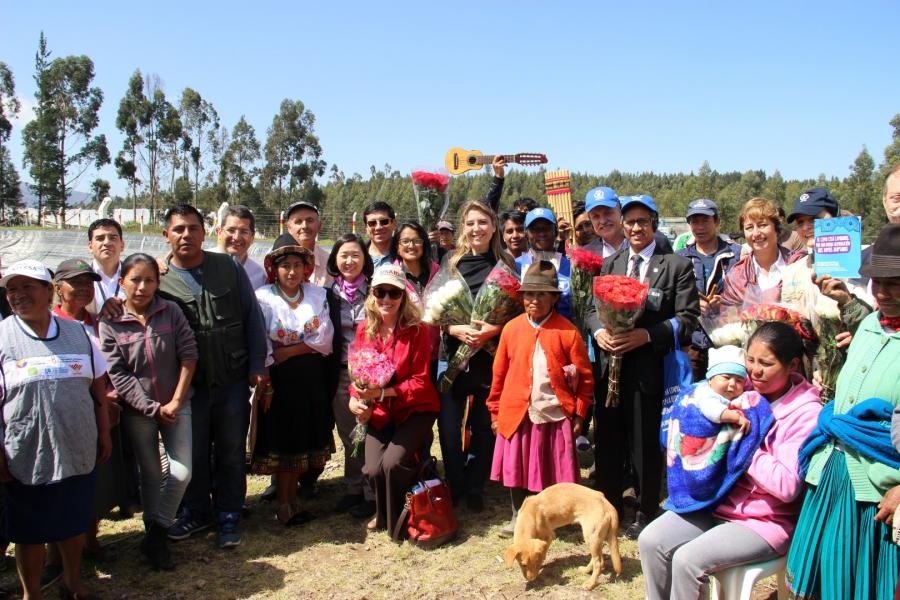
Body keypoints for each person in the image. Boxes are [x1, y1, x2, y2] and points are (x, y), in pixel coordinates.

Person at [639, 322, 823, 599]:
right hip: (718, 502)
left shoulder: (805, 414)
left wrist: (743, 448)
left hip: (764, 520)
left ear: (793, 364)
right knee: (651, 541)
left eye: (766, 363)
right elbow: (701, 402)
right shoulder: (742, 390)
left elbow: (787, 487)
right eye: (750, 360)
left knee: (687, 560)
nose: (754, 371)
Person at [786, 223, 900, 599]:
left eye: (894, 282)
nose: (883, 291)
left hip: (877, 487)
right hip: (832, 474)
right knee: (818, 579)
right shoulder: (869, 324)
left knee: (859, 583)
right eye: (878, 281)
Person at [587, 194, 700, 538]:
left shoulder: (675, 265)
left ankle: (646, 511)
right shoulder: (612, 263)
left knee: (644, 445)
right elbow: (592, 310)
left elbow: (688, 319)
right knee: (608, 442)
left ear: (654, 224)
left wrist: (646, 336)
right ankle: (609, 510)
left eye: (643, 221)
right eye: (631, 221)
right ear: (623, 224)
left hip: (649, 369)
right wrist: (599, 332)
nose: (636, 227)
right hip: (610, 369)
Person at [0, 260, 112, 600]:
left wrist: (104, 432)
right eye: (11, 289)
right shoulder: (3, 337)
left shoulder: (78, 334)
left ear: (48, 291)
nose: (18, 295)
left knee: (72, 521)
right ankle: (31, 593)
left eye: (27, 287)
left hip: (77, 445)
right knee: (29, 531)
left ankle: (72, 582)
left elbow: (98, 389)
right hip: (24, 451)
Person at [158, 204, 268, 549]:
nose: (186, 235)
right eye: (178, 229)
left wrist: (257, 366)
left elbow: (252, 318)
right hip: (187, 387)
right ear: (166, 236)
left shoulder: (228, 267)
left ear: (206, 233)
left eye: (193, 228)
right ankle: (196, 511)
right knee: (192, 453)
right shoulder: (159, 278)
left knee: (232, 449)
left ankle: (230, 514)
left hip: (232, 379)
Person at [99, 253, 197, 571]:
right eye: (135, 280)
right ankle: (156, 545)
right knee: (151, 476)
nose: (142, 287)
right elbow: (119, 375)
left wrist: (176, 401)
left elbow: (189, 354)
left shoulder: (170, 311)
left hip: (177, 405)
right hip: (138, 412)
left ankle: (156, 534)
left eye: (149, 280)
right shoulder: (110, 322)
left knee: (181, 473)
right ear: (122, 281)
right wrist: (151, 408)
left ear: (158, 282)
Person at [486, 261, 594, 537]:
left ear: (555, 298)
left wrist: (579, 415)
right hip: (517, 412)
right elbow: (498, 375)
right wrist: (495, 412)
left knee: (552, 467)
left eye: (541, 294)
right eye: (528, 294)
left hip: (553, 412)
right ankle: (518, 517)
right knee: (517, 468)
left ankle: (559, 518)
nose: (533, 300)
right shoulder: (511, 329)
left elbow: (585, 378)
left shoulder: (568, 332)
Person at [349, 264, 439, 536]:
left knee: (392, 464)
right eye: (380, 292)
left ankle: (399, 517)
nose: (386, 299)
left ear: (403, 297)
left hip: (415, 409)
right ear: (372, 295)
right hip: (379, 412)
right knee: (373, 469)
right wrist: (355, 400)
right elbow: (357, 374)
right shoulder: (364, 329)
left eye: (394, 293)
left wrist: (384, 393)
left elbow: (422, 382)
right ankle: (389, 511)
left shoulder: (418, 331)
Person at [438, 200, 517, 511]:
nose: (476, 229)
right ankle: (454, 483)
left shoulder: (506, 263)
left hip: (490, 357)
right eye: (470, 223)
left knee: (485, 427)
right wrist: (455, 330)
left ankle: (475, 485)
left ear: (494, 226)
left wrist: (492, 332)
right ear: (463, 228)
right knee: (448, 426)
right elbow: (435, 309)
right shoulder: (450, 262)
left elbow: (516, 312)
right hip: (453, 357)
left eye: (483, 222)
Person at [51, 259, 129, 564]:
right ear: (58, 289)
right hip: (63, 414)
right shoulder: (48, 323)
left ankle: (90, 541)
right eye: (75, 283)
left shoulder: (97, 322)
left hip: (101, 411)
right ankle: (54, 556)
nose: (83, 289)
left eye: (88, 283)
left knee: (97, 481)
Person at [253, 238, 335, 527]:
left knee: (303, 439)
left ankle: (293, 500)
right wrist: (268, 381)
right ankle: (284, 505)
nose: (291, 271)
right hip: (279, 382)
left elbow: (324, 340)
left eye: (297, 265)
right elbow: (261, 343)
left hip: (311, 378)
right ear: (274, 268)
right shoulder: (263, 297)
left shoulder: (316, 294)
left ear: (306, 268)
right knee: (285, 441)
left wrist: (287, 349)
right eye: (285, 265)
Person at [327, 234, 377, 519]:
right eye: (344, 255)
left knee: (368, 431)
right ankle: (352, 489)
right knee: (348, 433)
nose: (349, 260)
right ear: (335, 259)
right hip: (341, 373)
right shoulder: (327, 294)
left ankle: (371, 493)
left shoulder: (376, 292)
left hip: (371, 376)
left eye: (355, 255)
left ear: (364, 259)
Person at [677, 199, 742, 381]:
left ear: (717, 222)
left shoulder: (737, 255)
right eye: (695, 221)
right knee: (692, 398)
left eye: (705, 220)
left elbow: (749, 293)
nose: (700, 226)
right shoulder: (680, 258)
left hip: (728, 341)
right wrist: (692, 304)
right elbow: (672, 297)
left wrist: (727, 303)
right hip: (692, 343)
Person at [720, 197, 805, 307]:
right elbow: (728, 316)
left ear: (777, 228)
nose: (756, 233)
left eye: (762, 225)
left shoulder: (799, 264)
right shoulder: (736, 275)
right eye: (749, 227)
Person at [582, 187, 674, 260]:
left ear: (620, 211)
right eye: (596, 216)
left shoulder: (657, 241)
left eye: (608, 213)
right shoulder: (586, 254)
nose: (603, 221)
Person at [516, 207, 573, 320]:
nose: (541, 233)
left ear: (555, 231)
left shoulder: (570, 266)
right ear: (526, 234)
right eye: (535, 229)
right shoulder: (516, 265)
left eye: (546, 228)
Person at [691, 345, 751, 430]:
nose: (732, 384)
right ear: (710, 379)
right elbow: (712, 409)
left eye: (739, 381)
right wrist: (737, 418)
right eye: (726, 377)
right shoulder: (705, 392)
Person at [214, 204, 267, 289]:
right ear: (219, 232)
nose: (236, 237)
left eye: (244, 232)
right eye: (231, 230)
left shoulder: (260, 276)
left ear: (252, 237)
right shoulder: (202, 263)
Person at [283, 200, 333, 287]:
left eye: (309, 220)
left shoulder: (329, 263)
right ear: (289, 228)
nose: (304, 226)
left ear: (319, 226)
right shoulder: (274, 258)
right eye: (298, 221)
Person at [87, 218, 128, 318]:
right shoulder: (79, 278)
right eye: (100, 238)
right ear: (90, 246)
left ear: (122, 245)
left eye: (113, 238)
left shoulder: (135, 276)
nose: (107, 243)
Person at [363, 201, 397, 268]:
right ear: (366, 227)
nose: (378, 227)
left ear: (394, 223)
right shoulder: (358, 256)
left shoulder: (405, 255)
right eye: (372, 223)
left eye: (384, 222)